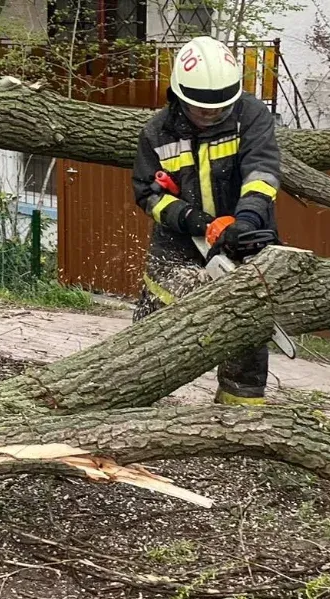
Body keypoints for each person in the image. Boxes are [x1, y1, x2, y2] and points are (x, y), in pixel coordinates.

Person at [130, 35, 283, 406]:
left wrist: (245, 221)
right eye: (203, 109)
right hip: (179, 242)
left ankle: (239, 405)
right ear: (180, 97)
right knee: (157, 314)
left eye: (219, 107)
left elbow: (261, 171)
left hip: (245, 232)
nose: (212, 114)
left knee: (245, 322)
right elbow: (147, 194)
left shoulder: (251, 116)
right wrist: (195, 220)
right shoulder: (157, 132)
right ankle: (132, 392)